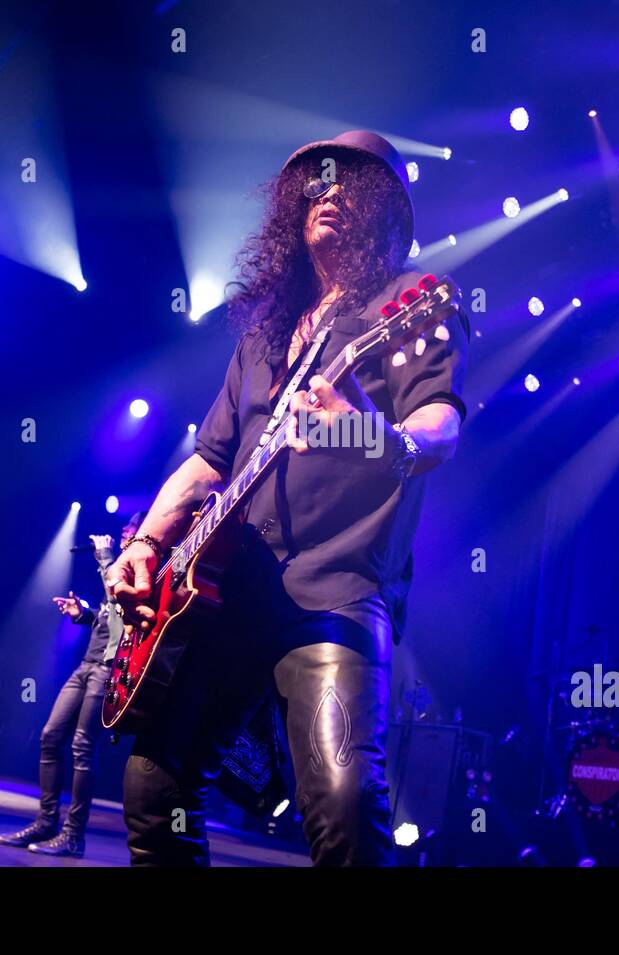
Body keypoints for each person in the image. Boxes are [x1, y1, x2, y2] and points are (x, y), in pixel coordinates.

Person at [105, 131, 469, 866]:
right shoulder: (266, 334)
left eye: (352, 184)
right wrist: (146, 544)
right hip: (224, 597)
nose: (330, 192)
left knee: (342, 799)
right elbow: (210, 460)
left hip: (333, 593)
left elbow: (441, 424)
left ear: (386, 209)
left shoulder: (411, 302)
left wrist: (377, 437)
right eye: (318, 182)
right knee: (153, 784)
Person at [0, 513, 142, 858]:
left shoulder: (140, 572)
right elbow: (110, 618)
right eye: (125, 528)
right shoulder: (116, 569)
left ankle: (73, 835)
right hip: (86, 664)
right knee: (50, 736)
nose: (123, 532)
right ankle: (46, 822)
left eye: (132, 528)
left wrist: (105, 559)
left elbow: (125, 611)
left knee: (82, 746)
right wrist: (84, 613)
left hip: (109, 669)